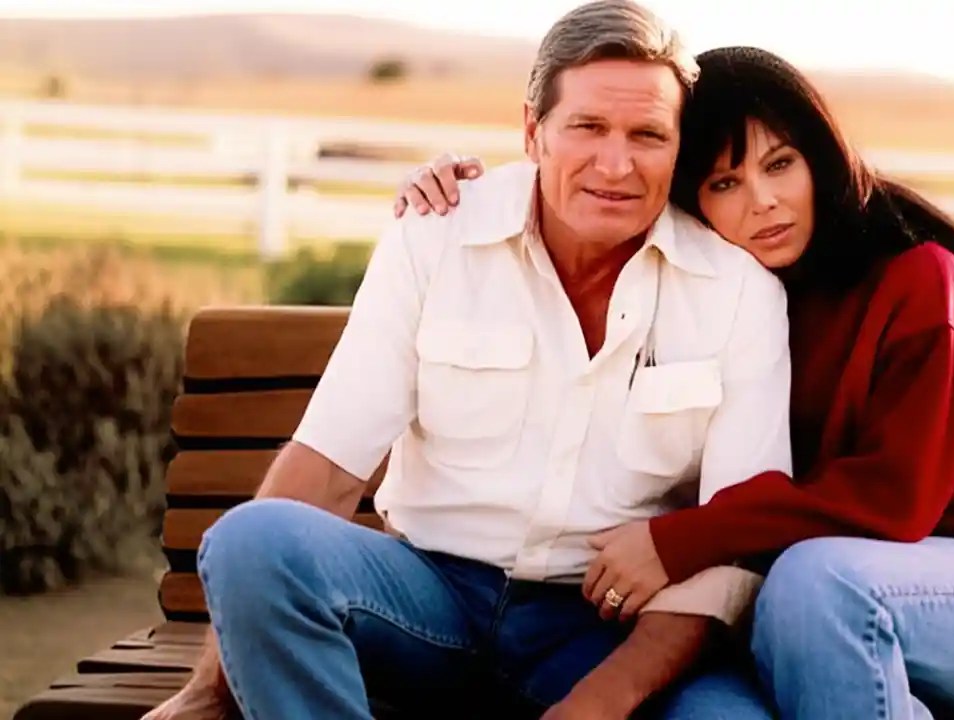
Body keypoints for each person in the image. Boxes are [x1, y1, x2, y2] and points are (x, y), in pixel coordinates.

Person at [140, 5, 796, 720]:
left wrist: (598, 704)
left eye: (648, 135)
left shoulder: (740, 292)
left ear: (677, 147)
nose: (616, 165)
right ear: (532, 131)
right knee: (253, 541)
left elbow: (732, 541)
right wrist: (211, 687)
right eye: (587, 127)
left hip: (604, 627)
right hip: (426, 599)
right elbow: (327, 464)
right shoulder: (437, 234)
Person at [394, 45, 954, 719]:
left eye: (780, 164)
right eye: (724, 183)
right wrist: (459, 194)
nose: (764, 203)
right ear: (687, 198)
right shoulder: (723, 301)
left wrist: (682, 540)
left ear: (820, 157)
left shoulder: (922, 284)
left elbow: (896, 498)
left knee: (814, 581)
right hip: (814, 621)